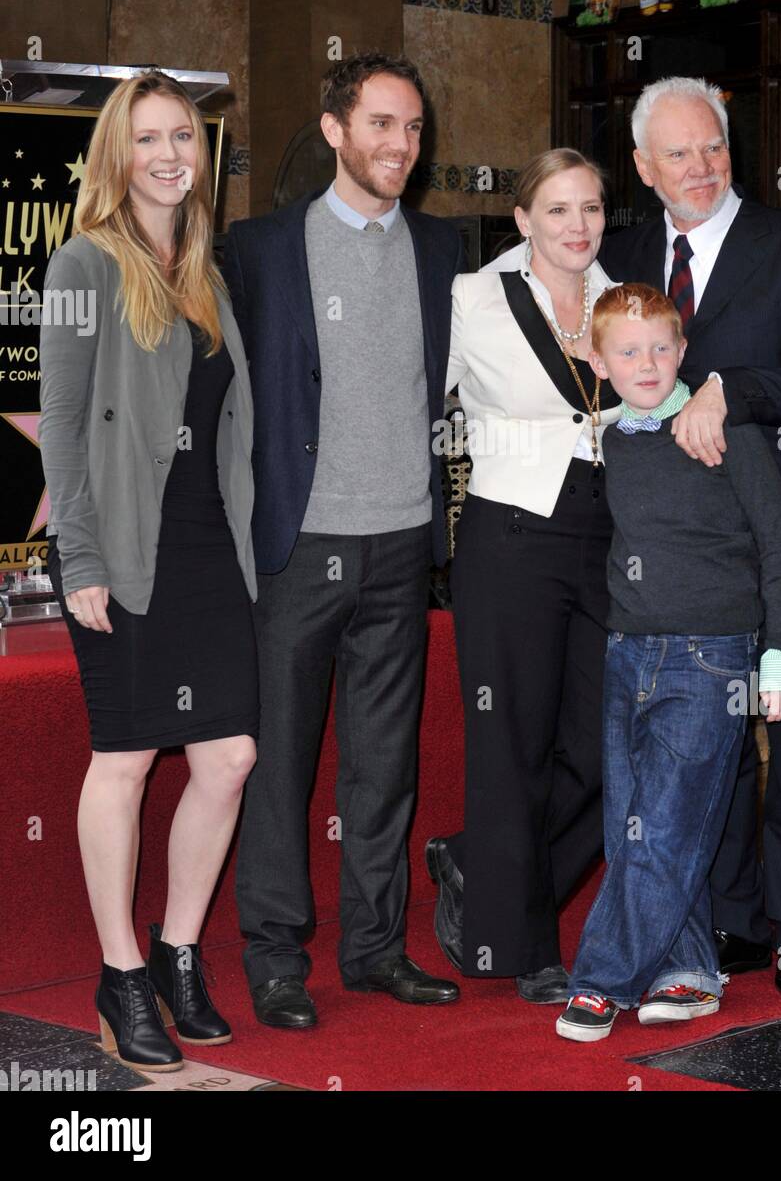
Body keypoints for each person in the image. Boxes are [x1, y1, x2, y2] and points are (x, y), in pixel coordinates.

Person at [600, 76, 781, 1022]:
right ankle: (735, 920)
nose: (700, 168)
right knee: (694, 743)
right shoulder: (622, 256)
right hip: (673, 569)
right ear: (643, 166)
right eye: (677, 153)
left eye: (711, 147)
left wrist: (729, 390)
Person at [224, 52, 461, 1026]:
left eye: (412, 128)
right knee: (279, 759)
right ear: (334, 130)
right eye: (381, 125)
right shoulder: (260, 248)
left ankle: (373, 948)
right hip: (298, 543)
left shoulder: (445, 252)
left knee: (385, 760)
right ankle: (275, 956)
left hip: (404, 543)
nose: (400, 144)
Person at [39, 69, 259, 1072]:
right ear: (117, 157)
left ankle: (177, 952)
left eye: (186, 137)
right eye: (152, 138)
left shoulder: (207, 271)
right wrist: (77, 552)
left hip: (210, 544)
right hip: (124, 546)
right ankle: (121, 973)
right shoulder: (85, 266)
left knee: (228, 758)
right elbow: (67, 424)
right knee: (125, 759)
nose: (173, 155)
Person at [555, 284, 781, 1042]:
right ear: (598, 362)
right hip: (627, 655)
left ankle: (599, 980)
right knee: (642, 827)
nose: (648, 363)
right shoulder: (609, 438)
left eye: (662, 348)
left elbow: (779, 549)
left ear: (684, 352)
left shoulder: (723, 430)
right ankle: (690, 973)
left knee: (664, 829)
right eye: (628, 352)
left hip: (713, 659)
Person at [426, 148, 623, 1002]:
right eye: (557, 211)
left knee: (602, 749)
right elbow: (418, 403)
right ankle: (520, 948)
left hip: (613, 539)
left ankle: (475, 861)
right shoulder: (476, 299)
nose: (577, 226)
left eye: (590, 208)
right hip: (511, 539)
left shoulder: (628, 299)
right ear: (522, 221)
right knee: (512, 748)